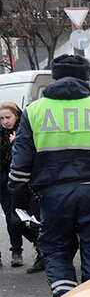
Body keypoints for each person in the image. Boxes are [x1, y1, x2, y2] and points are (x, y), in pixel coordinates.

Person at [8, 55, 90, 297]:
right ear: (86, 78)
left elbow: (22, 160)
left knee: (56, 250)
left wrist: (17, 196)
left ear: (54, 77)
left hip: (52, 196)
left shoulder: (34, 111)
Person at [0, 101, 24, 267]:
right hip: (2, 179)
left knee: (14, 217)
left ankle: (17, 251)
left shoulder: (23, 132)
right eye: (2, 118)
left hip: (16, 180)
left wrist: (15, 142)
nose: (5, 121)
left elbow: (24, 156)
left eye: (8, 117)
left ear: (16, 116)